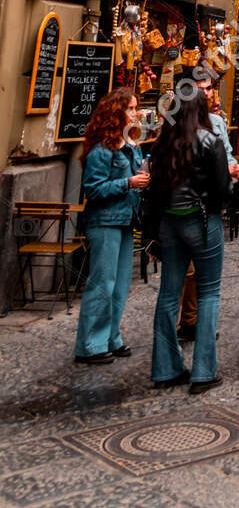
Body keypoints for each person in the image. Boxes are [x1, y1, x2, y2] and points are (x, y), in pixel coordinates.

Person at [144, 88, 231, 395]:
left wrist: (152, 232)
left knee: (169, 294)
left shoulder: (163, 143)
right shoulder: (210, 140)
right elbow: (223, 190)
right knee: (209, 292)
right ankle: (204, 372)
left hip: (170, 222)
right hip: (202, 221)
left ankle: (165, 368)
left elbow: (154, 190)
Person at [73, 88, 149, 365]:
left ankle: (111, 337)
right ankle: (90, 345)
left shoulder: (130, 145)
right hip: (105, 220)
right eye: (130, 108)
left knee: (120, 284)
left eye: (136, 108)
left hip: (127, 219)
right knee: (102, 282)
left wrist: (143, 180)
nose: (135, 114)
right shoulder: (101, 149)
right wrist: (128, 183)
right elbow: (92, 189)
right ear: (116, 112)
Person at [179, 74, 239, 343]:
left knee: (200, 273)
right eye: (201, 90)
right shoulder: (175, 126)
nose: (206, 94)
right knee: (187, 274)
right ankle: (187, 326)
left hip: (207, 207)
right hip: (186, 208)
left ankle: (191, 321)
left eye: (209, 89)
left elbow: (226, 154)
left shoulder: (217, 122)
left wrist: (233, 168)